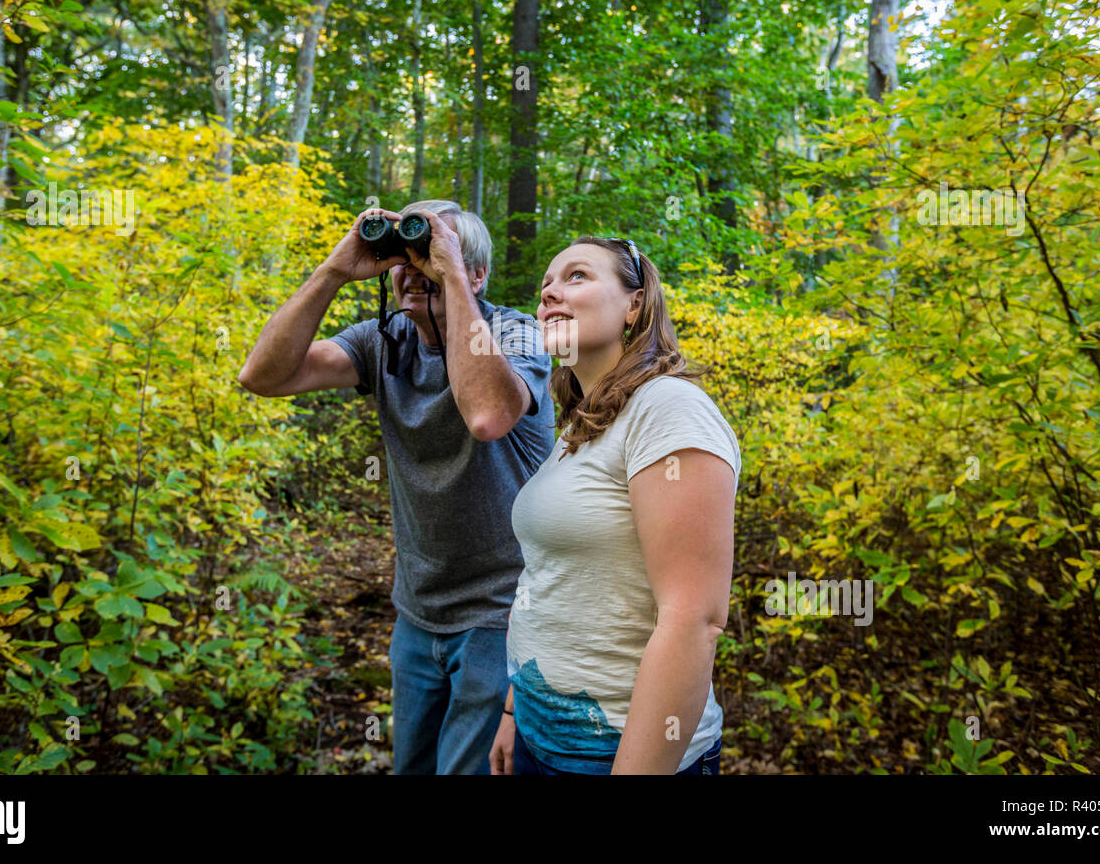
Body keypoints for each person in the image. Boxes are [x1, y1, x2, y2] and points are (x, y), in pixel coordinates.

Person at [238, 200, 555, 774]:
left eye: (428, 252)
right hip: (417, 612)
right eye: (403, 255)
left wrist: (450, 274)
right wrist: (334, 269)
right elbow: (262, 376)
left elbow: (487, 415)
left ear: (475, 272)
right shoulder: (383, 340)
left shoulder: (516, 332)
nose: (413, 267)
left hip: (501, 613)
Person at [488, 236, 740, 775]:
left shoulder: (668, 409)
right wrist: (513, 710)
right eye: (546, 285)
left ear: (635, 305)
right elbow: (548, 579)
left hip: (619, 753)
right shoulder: (582, 423)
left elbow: (694, 620)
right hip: (539, 737)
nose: (550, 292)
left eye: (576, 276)